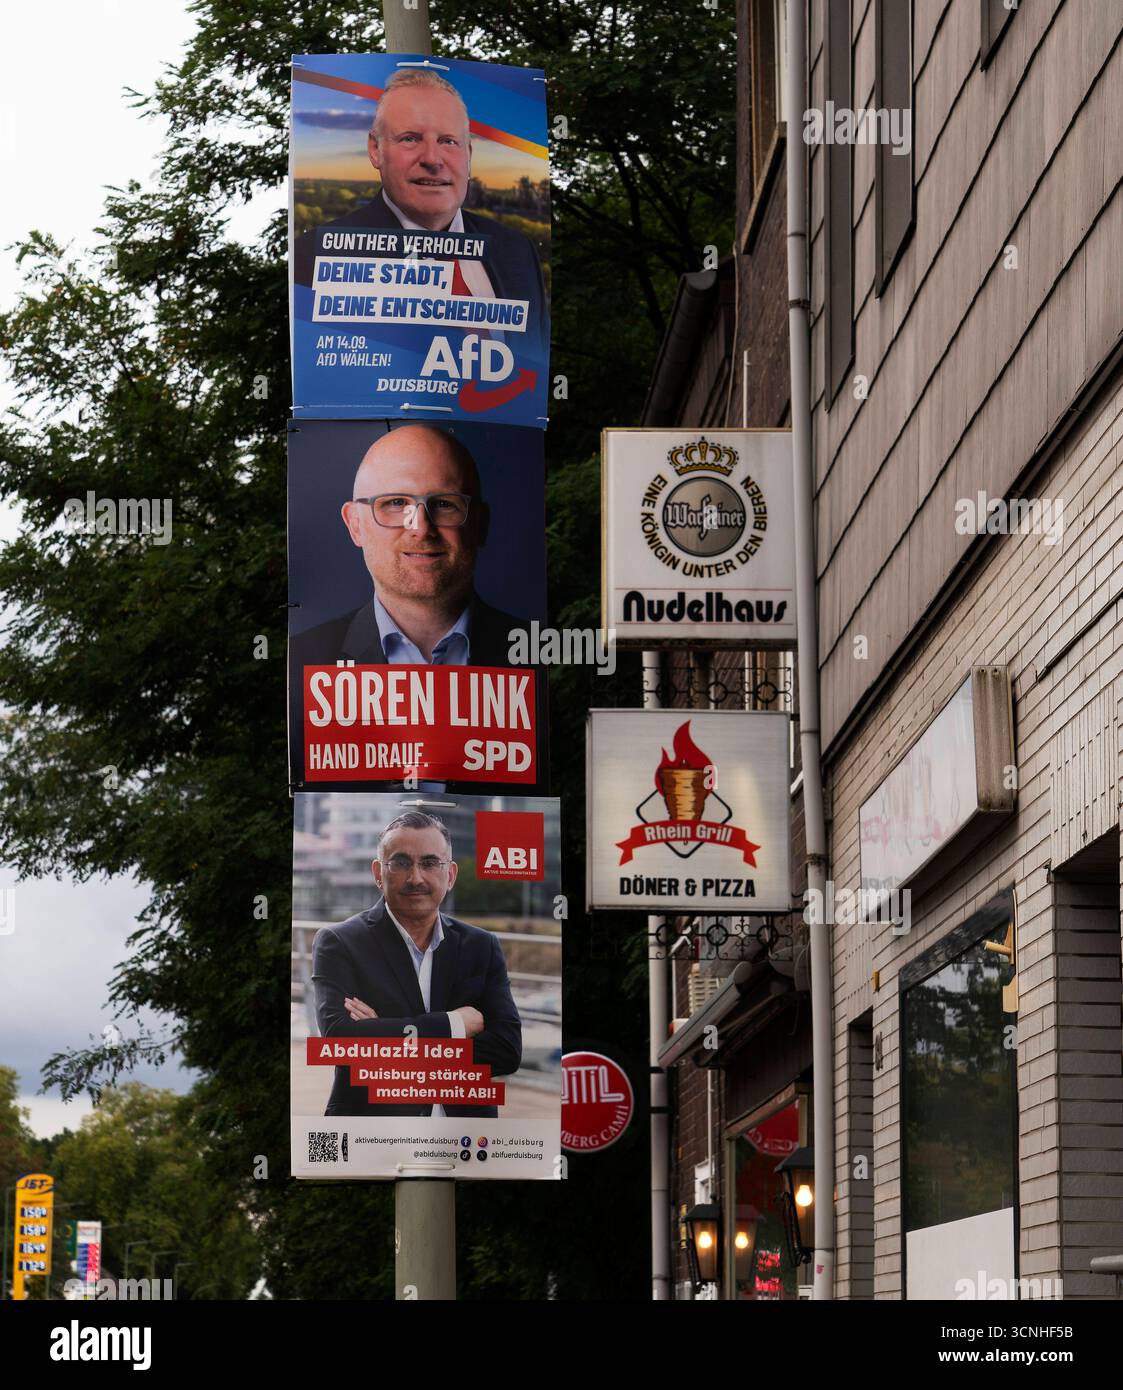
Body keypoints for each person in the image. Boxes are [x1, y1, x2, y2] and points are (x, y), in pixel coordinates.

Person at [292, 67, 547, 341]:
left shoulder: (517, 250)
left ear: (468, 155)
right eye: (410, 139)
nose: (432, 159)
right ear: (375, 150)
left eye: (448, 141)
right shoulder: (315, 258)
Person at [311, 810, 522, 1118]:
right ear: (377, 873)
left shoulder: (481, 946)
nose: (415, 878)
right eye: (400, 862)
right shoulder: (339, 942)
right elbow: (341, 1042)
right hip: (371, 1135)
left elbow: (506, 1051)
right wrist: (454, 1025)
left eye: (429, 863)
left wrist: (383, 1038)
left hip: (466, 1140)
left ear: (449, 875)